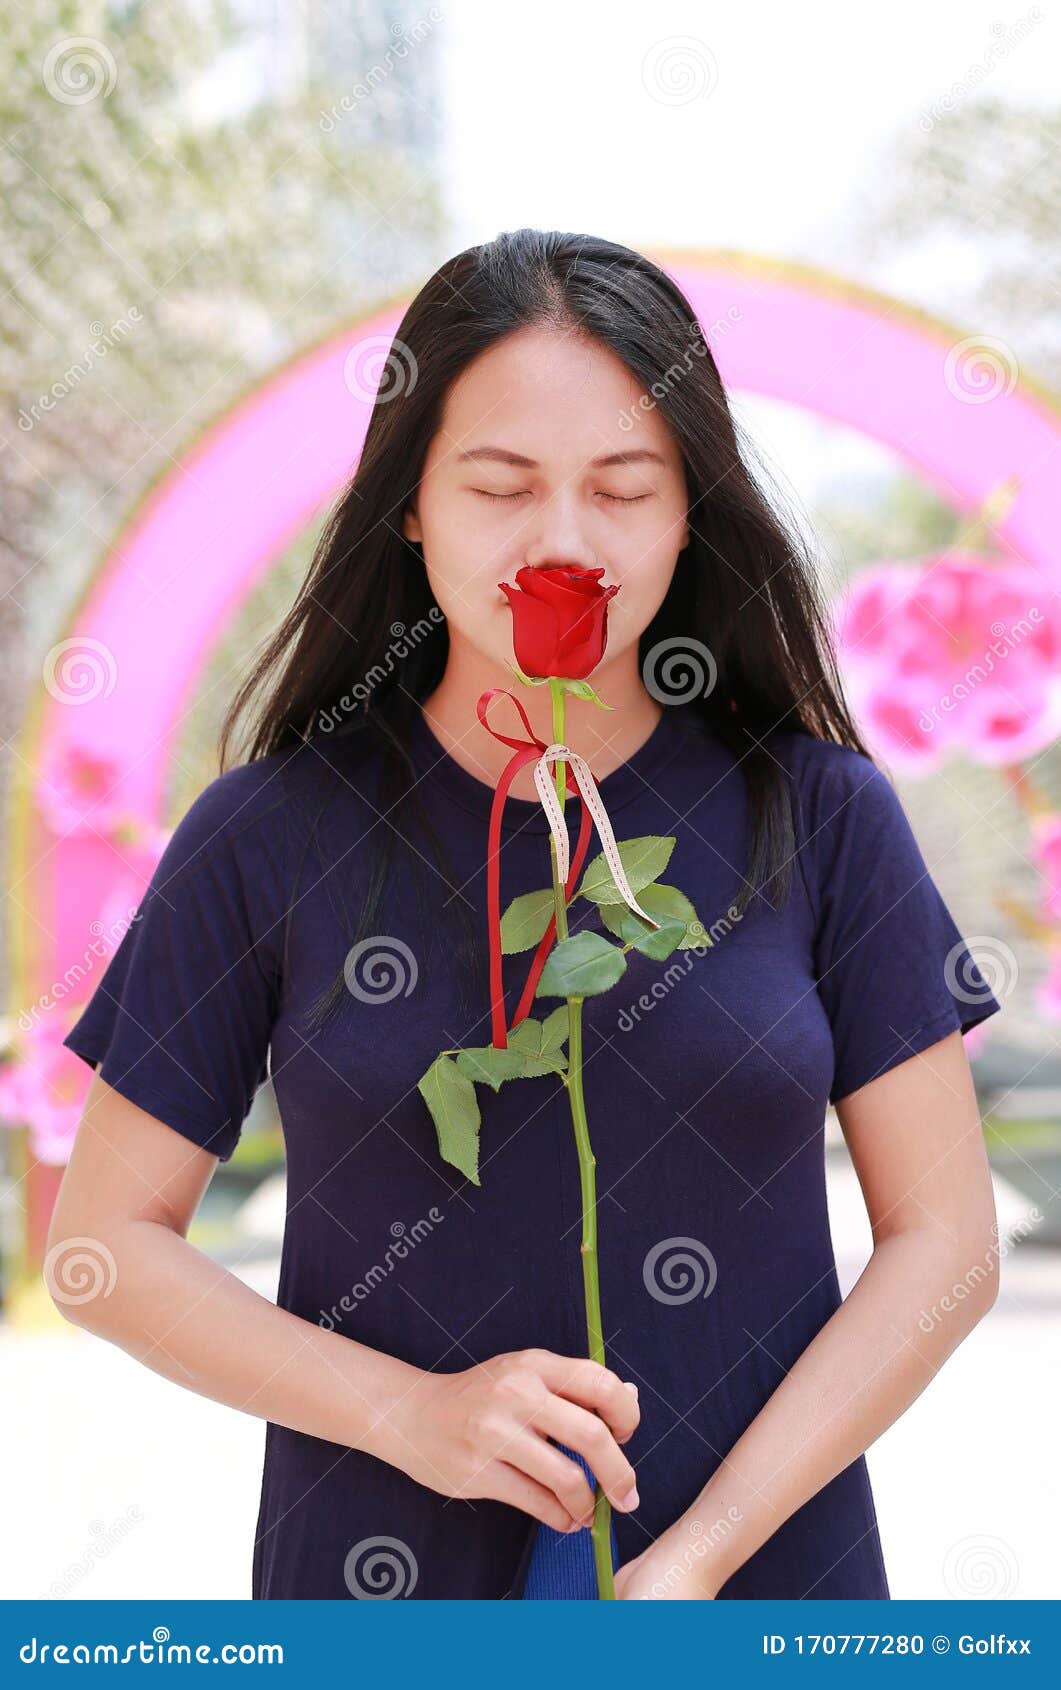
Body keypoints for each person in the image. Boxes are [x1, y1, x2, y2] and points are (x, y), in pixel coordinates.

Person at [49, 229, 1003, 1601]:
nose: (564, 540)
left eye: (625, 488)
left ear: (690, 513)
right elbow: (107, 1250)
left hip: (754, 1600)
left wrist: (698, 1559)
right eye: (500, 485)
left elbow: (947, 1243)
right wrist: (405, 1414)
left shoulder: (824, 813)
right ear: (414, 505)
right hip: (380, 1594)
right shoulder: (268, 833)